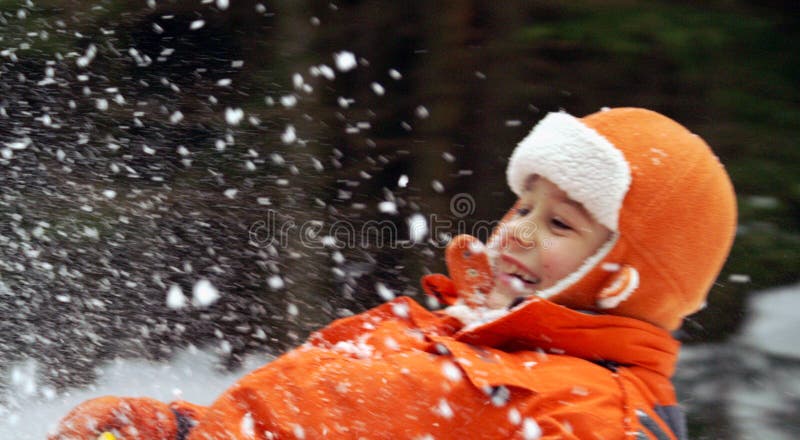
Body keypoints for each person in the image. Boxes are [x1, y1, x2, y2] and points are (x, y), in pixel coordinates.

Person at [49, 107, 737, 440]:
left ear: (620, 277)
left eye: (560, 224)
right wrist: (173, 428)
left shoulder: (594, 411)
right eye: (523, 204)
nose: (520, 228)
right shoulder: (450, 335)